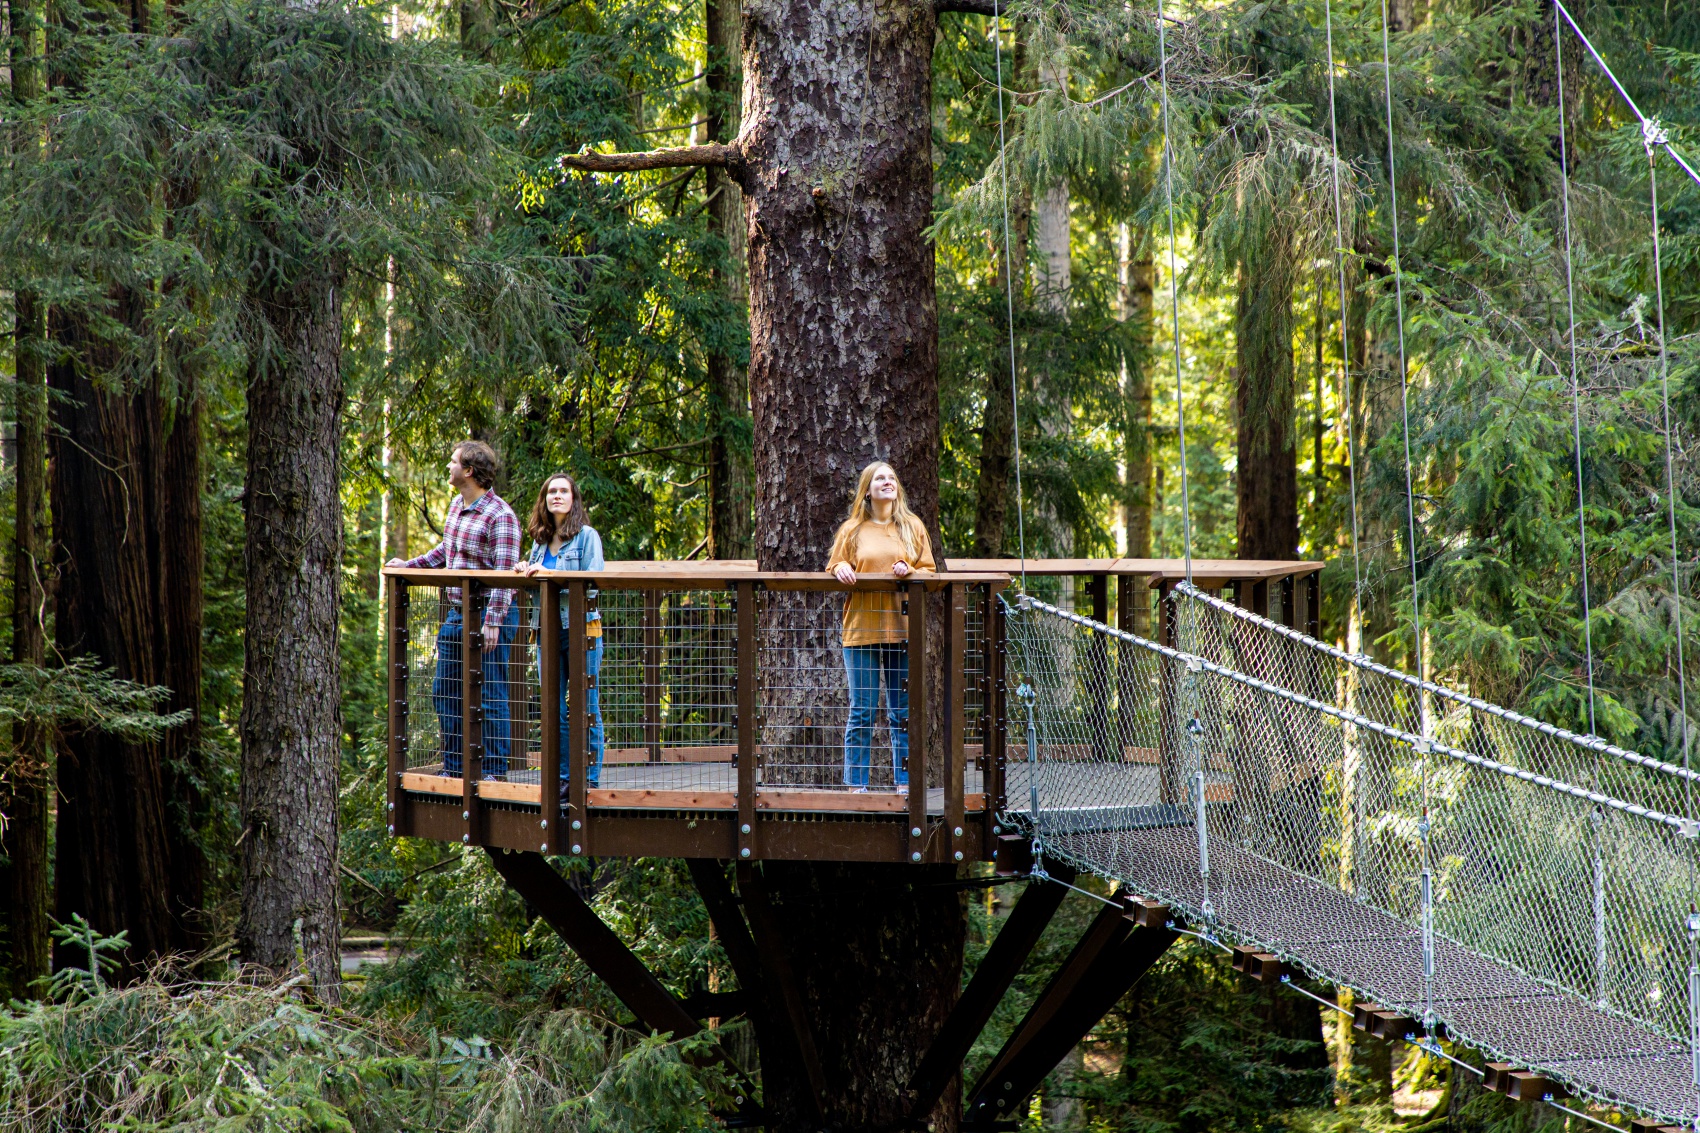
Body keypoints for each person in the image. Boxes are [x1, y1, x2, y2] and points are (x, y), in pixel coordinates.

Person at [389, 441, 522, 779]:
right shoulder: (455, 506)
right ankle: (456, 768)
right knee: (445, 690)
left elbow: (505, 576)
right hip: (457, 613)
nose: (447, 466)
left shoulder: (500, 515)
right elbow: (446, 552)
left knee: (489, 694)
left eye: (452, 462)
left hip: (492, 613)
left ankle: (493, 771)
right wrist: (409, 566)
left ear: (469, 471)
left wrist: (493, 622)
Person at [825, 461, 936, 791]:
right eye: (880, 478)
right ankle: (856, 786)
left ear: (897, 488)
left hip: (902, 631)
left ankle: (905, 785)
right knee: (862, 710)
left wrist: (910, 569)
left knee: (901, 711)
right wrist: (842, 567)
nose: (887, 482)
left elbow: (928, 569)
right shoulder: (853, 529)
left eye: (891, 478)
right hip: (861, 631)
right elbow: (836, 563)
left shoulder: (912, 527)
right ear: (868, 490)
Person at [516, 472, 606, 790]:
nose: (557, 496)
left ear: (573, 498)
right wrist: (524, 571)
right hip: (546, 632)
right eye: (551, 491)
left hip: (583, 630)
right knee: (554, 708)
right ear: (544, 499)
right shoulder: (540, 541)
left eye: (563, 491)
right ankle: (567, 778)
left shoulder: (586, 536)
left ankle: (590, 780)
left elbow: (593, 579)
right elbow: (539, 585)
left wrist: (551, 572)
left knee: (584, 705)